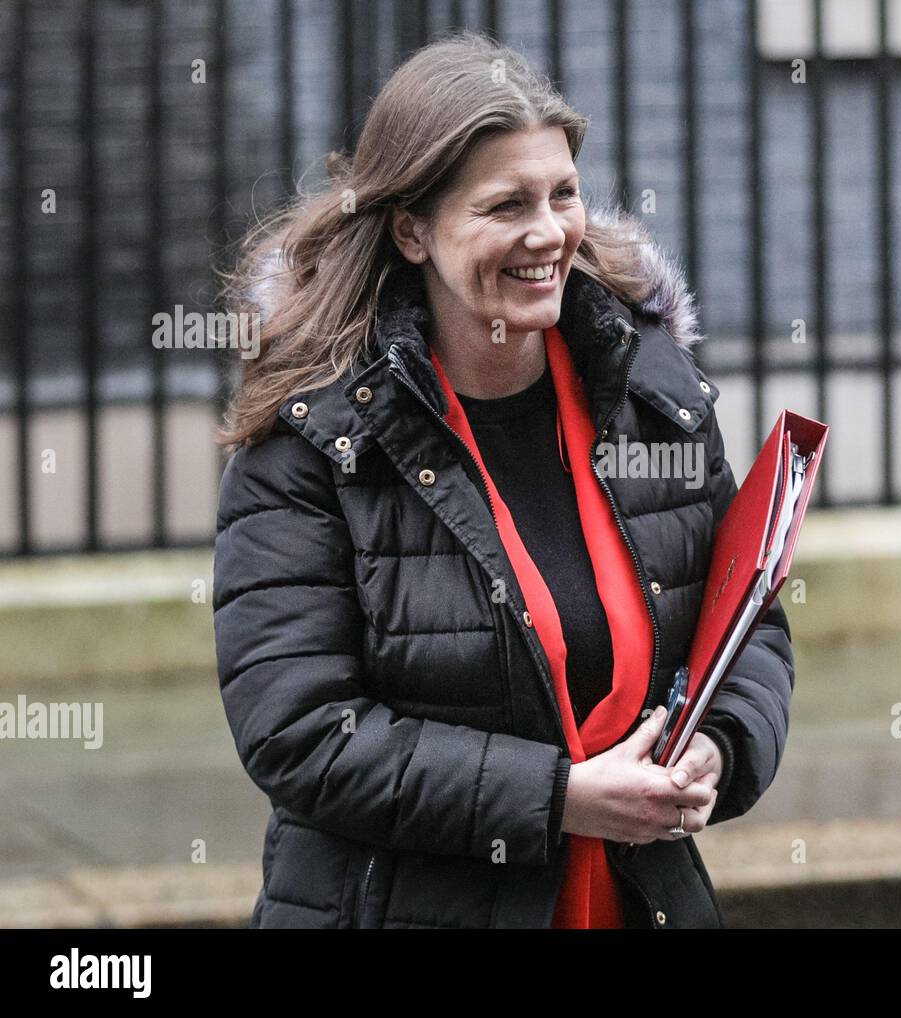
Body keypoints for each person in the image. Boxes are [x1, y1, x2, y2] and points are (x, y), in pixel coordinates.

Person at [211, 28, 794, 929]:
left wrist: (719, 745)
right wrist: (559, 797)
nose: (548, 232)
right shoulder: (315, 440)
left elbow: (747, 622)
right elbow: (301, 734)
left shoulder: (653, 393)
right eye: (504, 205)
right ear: (412, 231)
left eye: (563, 194)